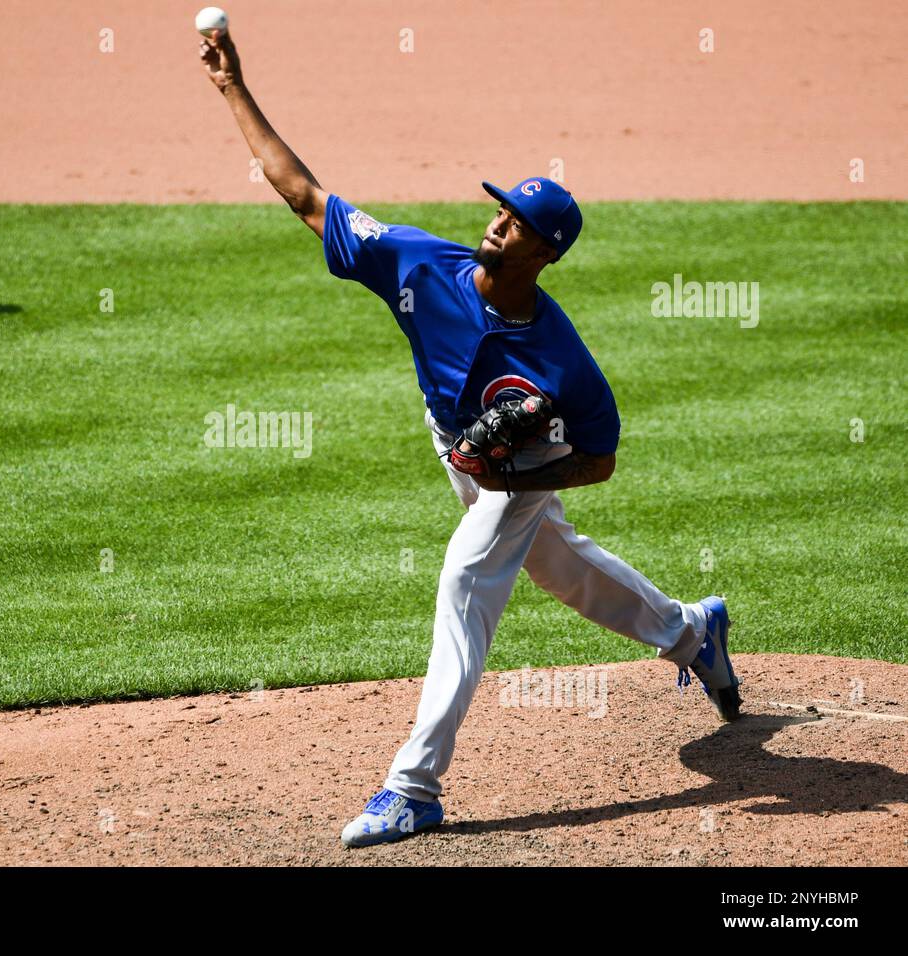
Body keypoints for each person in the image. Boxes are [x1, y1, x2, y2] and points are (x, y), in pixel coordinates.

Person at [199, 29, 742, 849]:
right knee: (559, 568)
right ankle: (692, 632)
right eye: (500, 209)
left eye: (519, 222)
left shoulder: (565, 364)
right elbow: (305, 196)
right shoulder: (418, 264)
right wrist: (232, 86)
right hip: (452, 441)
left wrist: (523, 476)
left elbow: (599, 460)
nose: (499, 224)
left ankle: (412, 787)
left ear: (546, 251)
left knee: (464, 584)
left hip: (519, 472)